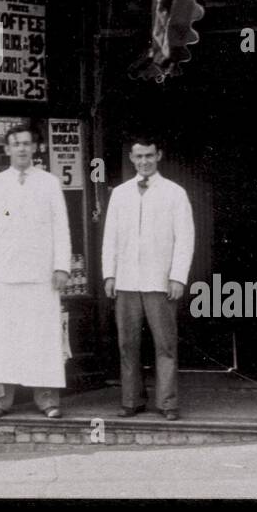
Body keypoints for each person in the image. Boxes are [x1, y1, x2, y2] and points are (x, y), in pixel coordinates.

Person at [0, 124, 71, 419]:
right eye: (16, 144)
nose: (23, 149)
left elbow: (61, 228)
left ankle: (47, 400)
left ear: (35, 148)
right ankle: (2, 400)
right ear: (7, 149)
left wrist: (62, 267)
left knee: (42, 336)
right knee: (3, 338)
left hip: (42, 275)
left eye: (27, 144)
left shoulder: (50, 183)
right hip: (3, 274)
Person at [102, 133, 195, 419]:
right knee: (127, 343)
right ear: (132, 158)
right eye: (138, 156)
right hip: (127, 281)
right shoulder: (120, 193)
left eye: (149, 156)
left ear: (159, 156)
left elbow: (185, 238)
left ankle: (167, 402)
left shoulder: (174, 192)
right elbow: (110, 238)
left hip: (160, 280)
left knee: (165, 344)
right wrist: (109, 274)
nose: (144, 161)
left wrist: (178, 277)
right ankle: (131, 400)